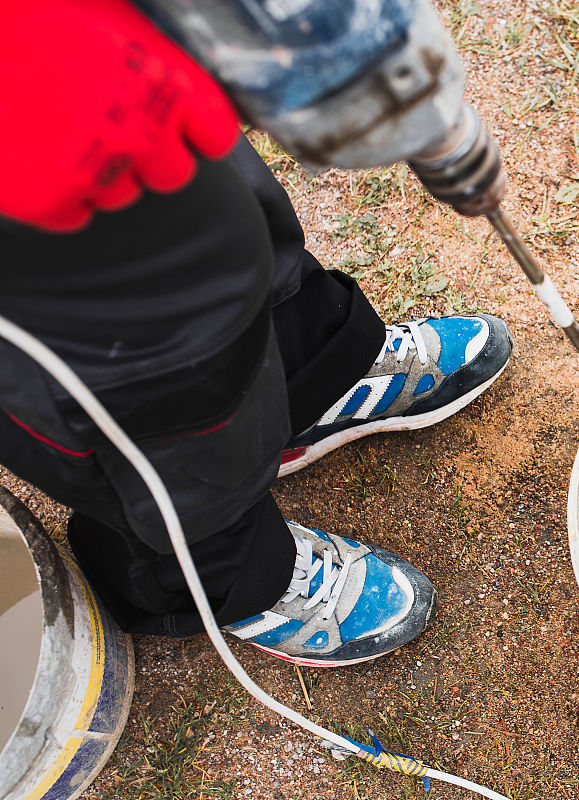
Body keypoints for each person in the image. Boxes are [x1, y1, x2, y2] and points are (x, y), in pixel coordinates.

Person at [0, 0, 512, 666]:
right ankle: (231, 576)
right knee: (151, 402)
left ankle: (313, 376)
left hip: (96, 57)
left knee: (229, 217)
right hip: (31, 239)